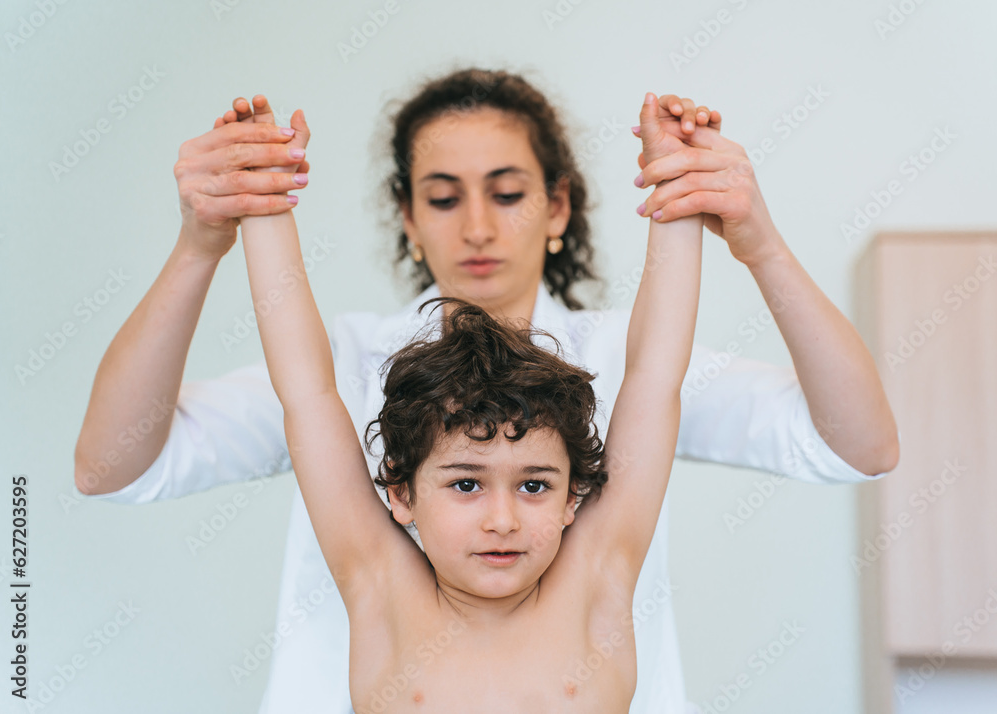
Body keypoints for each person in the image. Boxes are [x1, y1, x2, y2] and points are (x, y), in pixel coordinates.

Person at [73, 68, 899, 713]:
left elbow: (666, 377)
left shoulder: (598, 536)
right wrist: (240, 216)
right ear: (394, 490)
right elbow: (276, 405)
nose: (476, 226)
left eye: (507, 193)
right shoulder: (366, 459)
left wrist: (704, 205)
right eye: (464, 482)